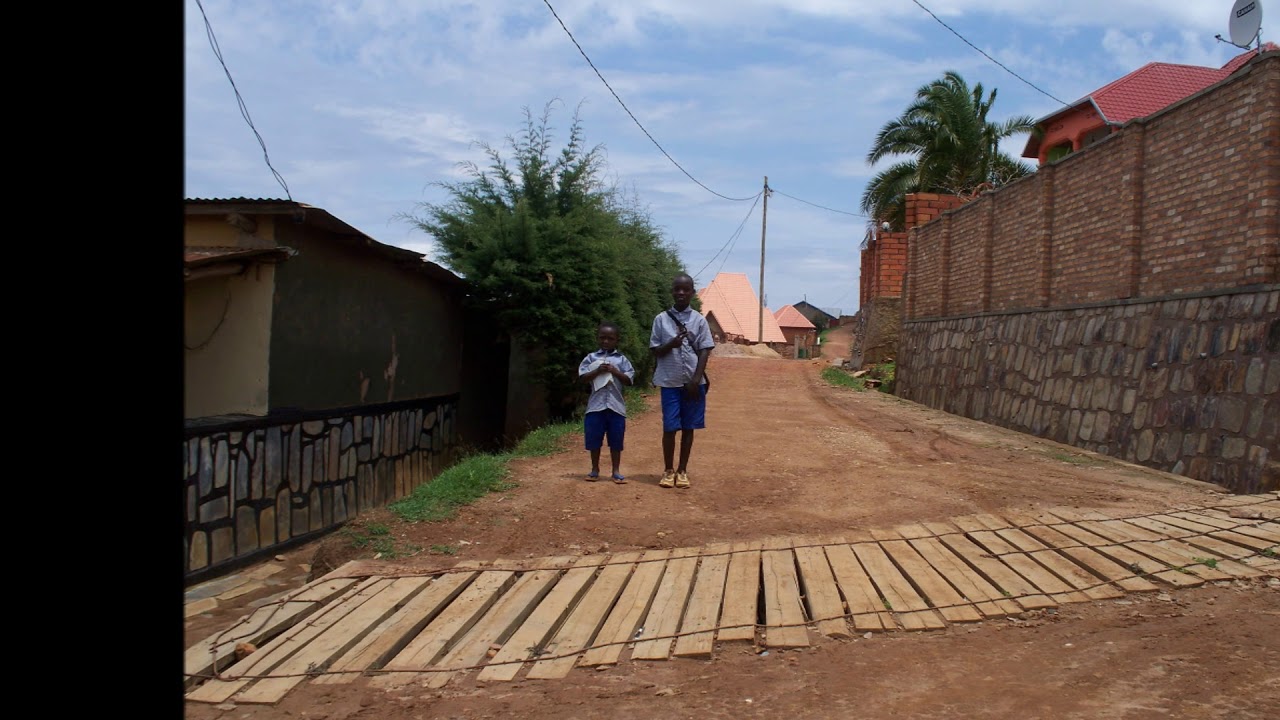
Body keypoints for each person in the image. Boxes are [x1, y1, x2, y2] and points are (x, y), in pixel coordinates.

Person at [649, 273, 714, 489]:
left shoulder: (699, 320)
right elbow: (655, 350)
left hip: (693, 384)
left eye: (686, 289)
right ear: (672, 291)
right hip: (669, 382)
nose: (681, 293)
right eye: (677, 289)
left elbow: (704, 351)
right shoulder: (661, 319)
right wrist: (671, 344)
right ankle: (668, 470)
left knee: (688, 427)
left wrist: (696, 379)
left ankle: (682, 470)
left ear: (692, 293)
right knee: (670, 427)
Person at [578, 321, 635, 483]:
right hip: (595, 407)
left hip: (616, 407)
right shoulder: (591, 358)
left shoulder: (622, 360)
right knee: (594, 439)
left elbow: (629, 380)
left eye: (610, 339)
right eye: (602, 338)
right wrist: (597, 370)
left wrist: (614, 371)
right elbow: (582, 378)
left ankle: (616, 471)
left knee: (616, 440)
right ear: (597, 338)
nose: (606, 341)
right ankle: (594, 469)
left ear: (617, 340)